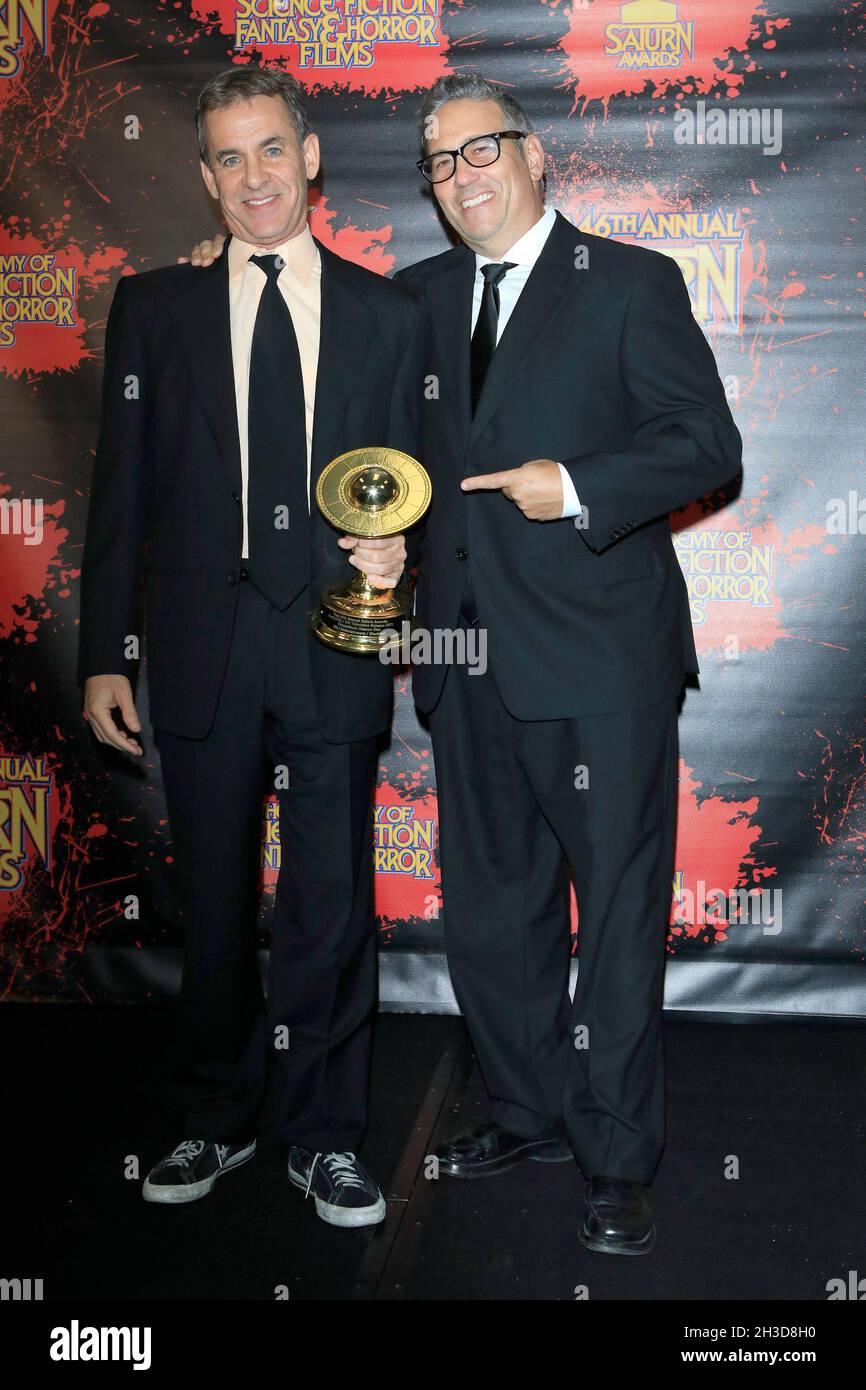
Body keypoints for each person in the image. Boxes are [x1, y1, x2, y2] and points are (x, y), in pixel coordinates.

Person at [187, 72, 743, 1257]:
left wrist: (579, 486)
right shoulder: (415, 300)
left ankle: (614, 1154)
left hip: (601, 667)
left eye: (479, 150)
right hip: (459, 655)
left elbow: (704, 444)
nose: (459, 176)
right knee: (495, 919)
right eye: (438, 162)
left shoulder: (628, 283)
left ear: (533, 155)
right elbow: (367, 438)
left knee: (620, 914)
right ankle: (531, 1107)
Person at [77, 66, 427, 1228]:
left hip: (332, 642)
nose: (252, 177)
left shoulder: (389, 315)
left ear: (310, 157)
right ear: (203, 178)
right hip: (198, 644)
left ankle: (326, 1136)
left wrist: (401, 559)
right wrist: (102, 653)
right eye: (227, 159)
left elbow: (415, 491)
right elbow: (117, 493)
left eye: (269, 151)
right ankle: (211, 1117)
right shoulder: (154, 308)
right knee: (214, 900)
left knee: (332, 904)